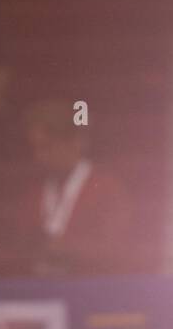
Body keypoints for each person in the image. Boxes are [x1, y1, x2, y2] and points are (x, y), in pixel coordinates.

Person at [20, 99, 134, 276]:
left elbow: (117, 249)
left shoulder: (107, 188)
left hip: (91, 293)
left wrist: (69, 250)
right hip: (43, 293)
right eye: (35, 148)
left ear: (74, 142)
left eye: (47, 146)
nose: (39, 156)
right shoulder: (35, 193)